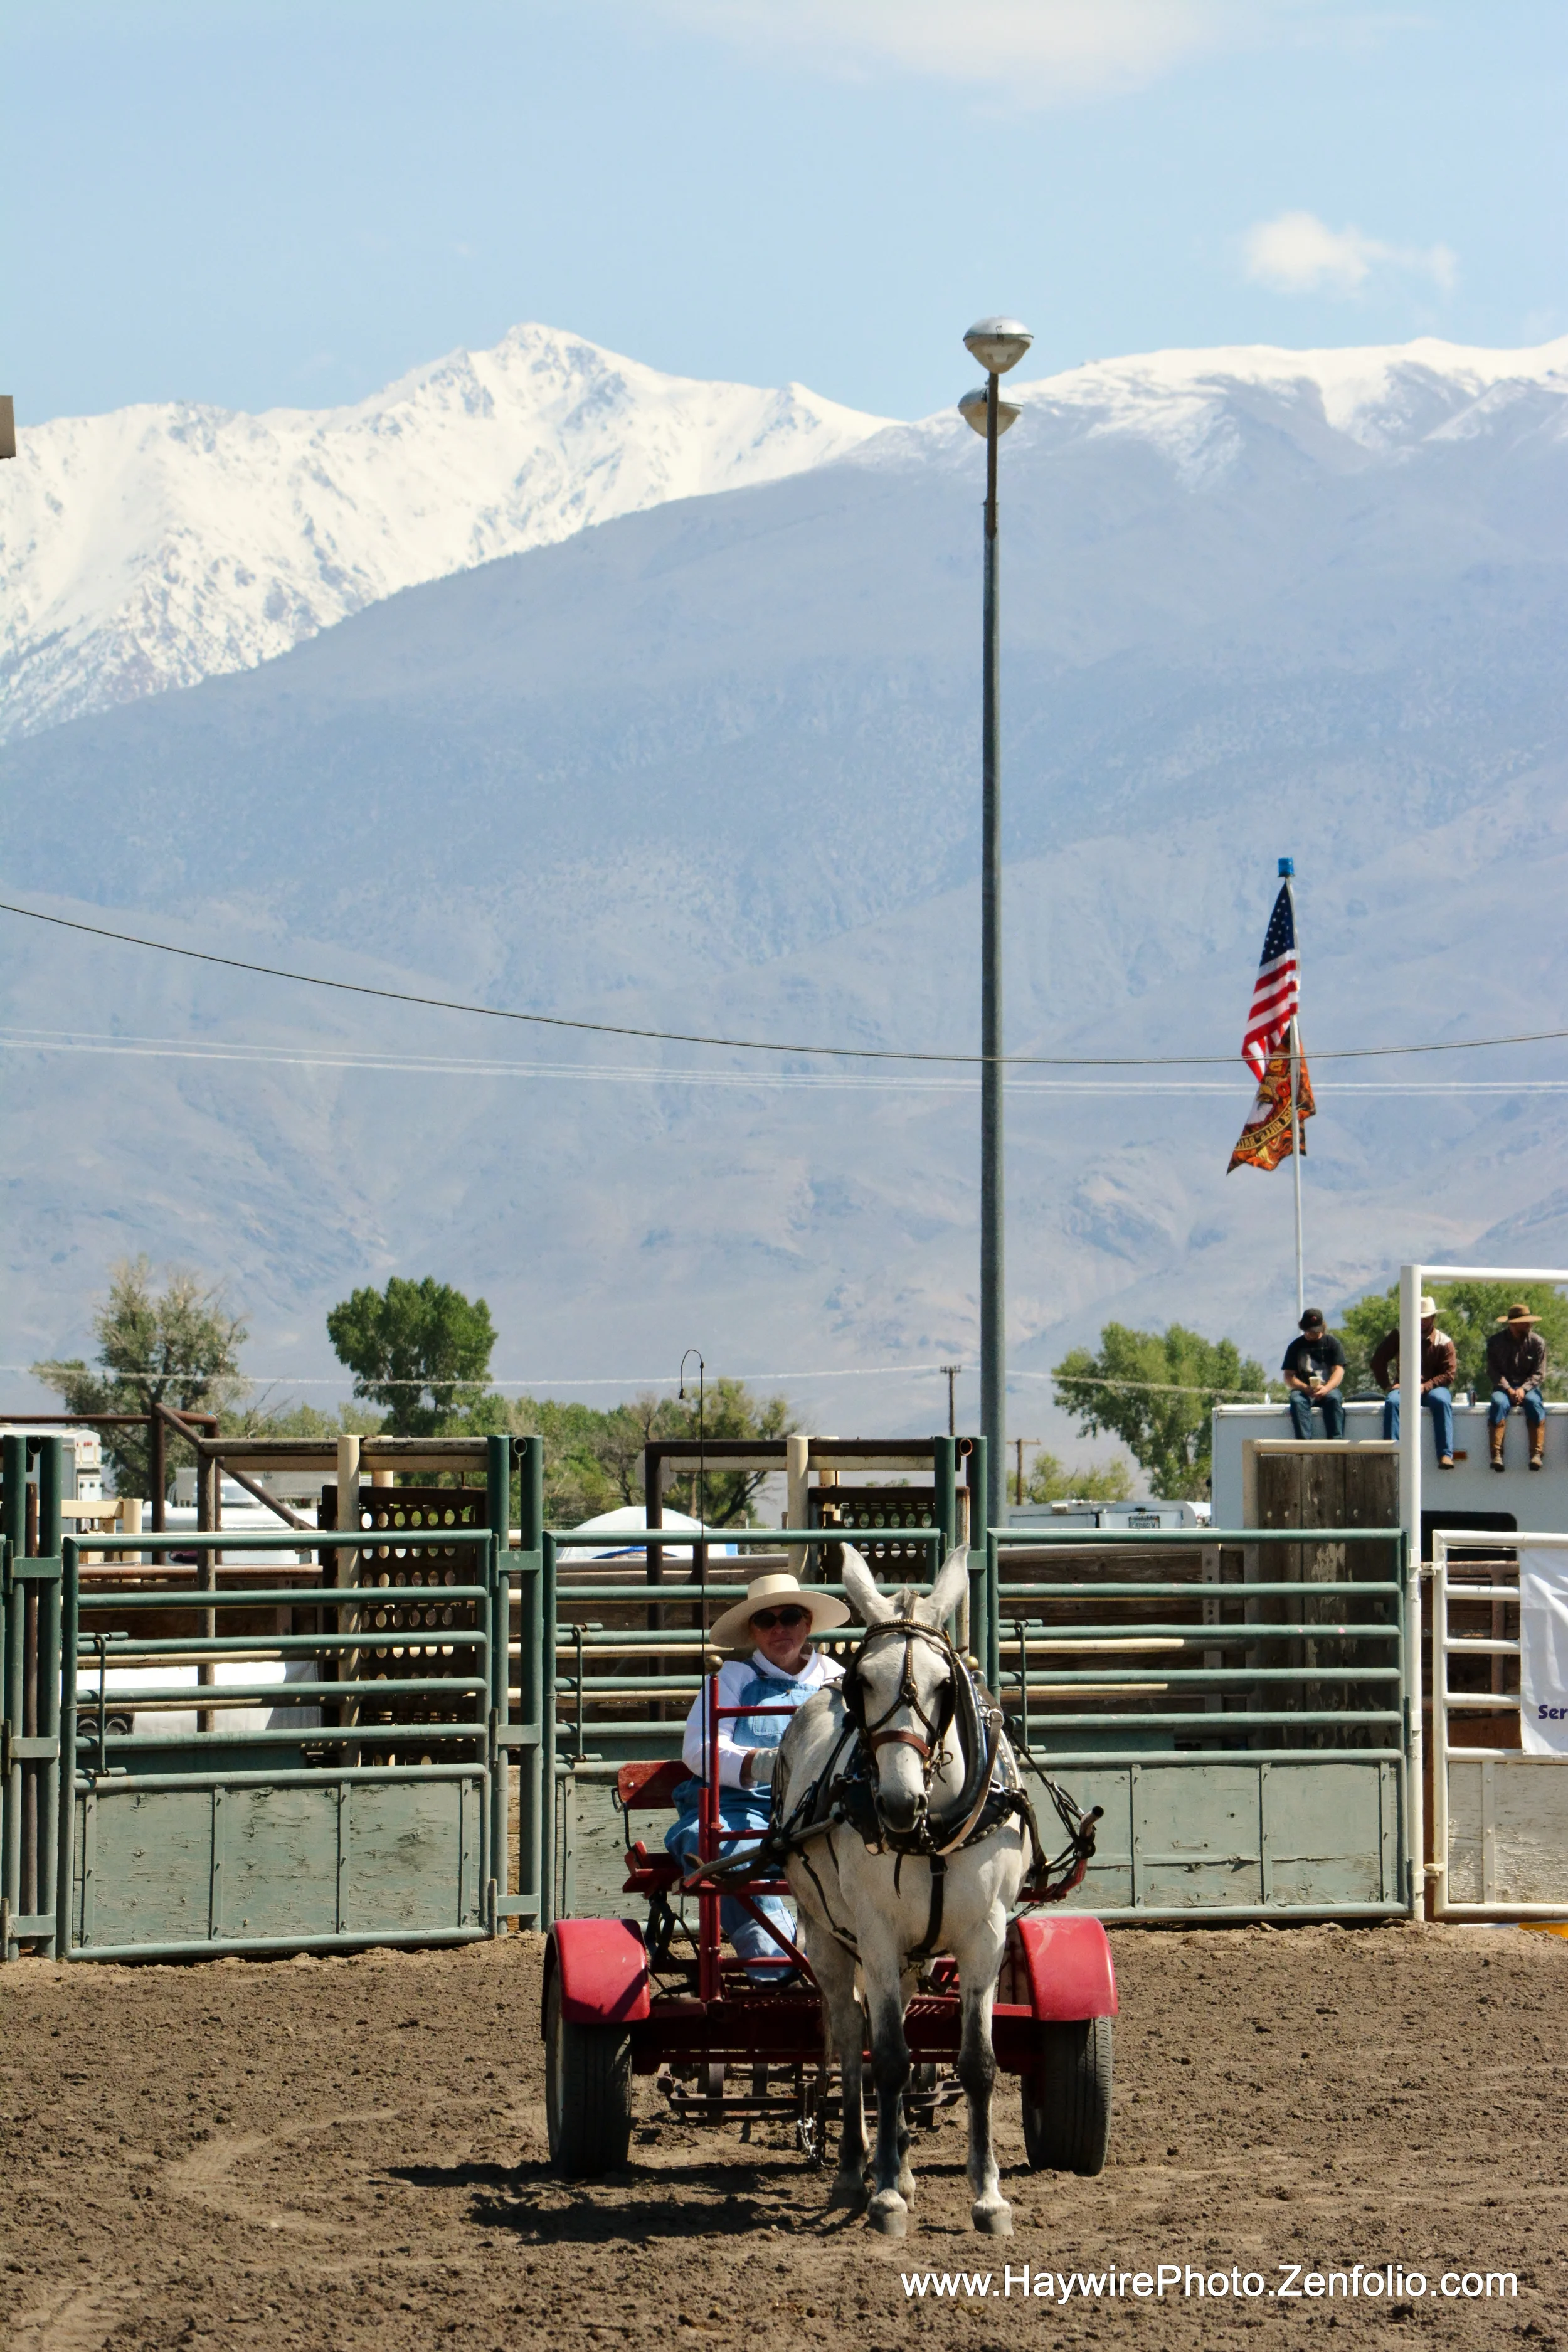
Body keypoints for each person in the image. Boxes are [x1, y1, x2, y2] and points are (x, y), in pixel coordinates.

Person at [665, 1568, 849, 1986]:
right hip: (738, 1806)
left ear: (808, 1624)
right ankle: (779, 1964)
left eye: (790, 1618)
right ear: (753, 1630)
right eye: (767, 1620)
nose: (779, 1628)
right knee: (714, 1843)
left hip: (821, 1812)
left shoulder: (839, 1681)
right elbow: (699, 1750)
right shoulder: (729, 1680)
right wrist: (760, 1764)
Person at [1371, 1294, 1457, 1467]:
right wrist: (1388, 1386)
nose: (1422, 1322)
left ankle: (1445, 1455)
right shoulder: (1399, 1336)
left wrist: (1425, 1386)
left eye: (1425, 1318)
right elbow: (1377, 1361)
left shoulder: (1444, 1342)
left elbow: (1449, 1374)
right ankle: (1392, 1453)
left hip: (1434, 1388)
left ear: (1433, 1318)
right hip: (1404, 1387)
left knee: (1441, 1401)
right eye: (1419, 1317)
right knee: (1393, 1401)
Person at [1485, 1301, 1548, 1471]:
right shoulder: (1495, 1342)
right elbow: (1493, 1371)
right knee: (1498, 1404)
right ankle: (1497, 1454)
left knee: (1534, 1404)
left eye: (1529, 1321)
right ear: (1513, 1324)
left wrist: (1523, 1389)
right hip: (1503, 1388)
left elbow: (1539, 1373)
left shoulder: (1537, 1343)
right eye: (1524, 1322)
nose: (1529, 1325)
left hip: (1529, 1388)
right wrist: (1508, 1389)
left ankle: (1536, 1454)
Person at [1282, 1308, 1347, 1439]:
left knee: (1334, 1399)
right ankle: (1305, 1445)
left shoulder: (1332, 1344)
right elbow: (1289, 1376)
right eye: (1310, 1331)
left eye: (1316, 1331)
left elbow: (1338, 1371)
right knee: (1296, 1400)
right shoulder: (1295, 1347)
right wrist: (1305, 1388)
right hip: (1304, 1390)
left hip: (1327, 1388)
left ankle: (1336, 1444)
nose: (1313, 1334)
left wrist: (1327, 1388)